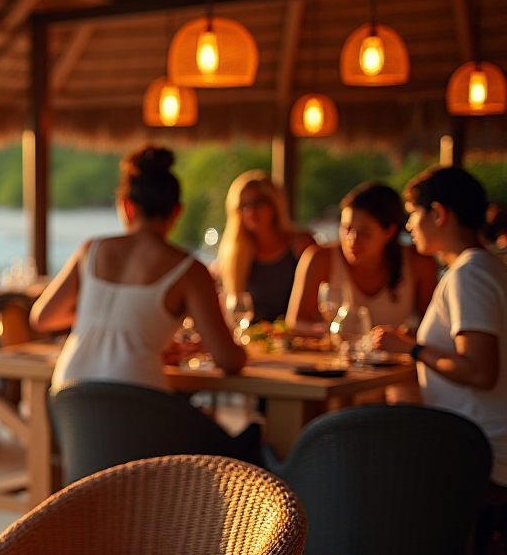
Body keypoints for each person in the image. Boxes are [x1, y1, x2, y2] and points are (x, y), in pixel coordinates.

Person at [34, 146, 245, 390]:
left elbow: (43, 317)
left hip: (70, 394)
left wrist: (120, 322)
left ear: (126, 205)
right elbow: (228, 360)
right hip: (137, 397)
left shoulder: (92, 249)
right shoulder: (191, 270)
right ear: (177, 211)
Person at [375, 165, 507, 488]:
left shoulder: (469, 274)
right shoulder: (489, 267)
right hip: (477, 444)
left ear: (437, 214)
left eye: (412, 213)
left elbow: (480, 371)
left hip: (480, 453)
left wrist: (413, 349)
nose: (409, 225)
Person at [287, 181, 436, 331]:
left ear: (389, 232)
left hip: (390, 354)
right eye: (346, 228)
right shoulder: (321, 259)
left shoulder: (418, 263)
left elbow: (432, 330)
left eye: (364, 233)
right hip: (335, 352)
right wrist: (325, 331)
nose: (352, 240)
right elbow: (295, 322)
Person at [216, 171, 316, 324]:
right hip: (254, 341)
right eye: (244, 205)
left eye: (259, 202)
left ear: (275, 203)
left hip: (299, 339)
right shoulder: (235, 254)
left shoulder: (301, 244)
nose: (251, 211)